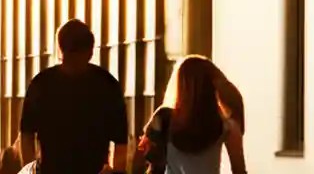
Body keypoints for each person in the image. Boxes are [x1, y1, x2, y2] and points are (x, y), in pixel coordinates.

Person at [19, 20, 128, 174]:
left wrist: (30, 168)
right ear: (90, 52)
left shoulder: (42, 84)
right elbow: (120, 143)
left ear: (60, 50)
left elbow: (27, 135)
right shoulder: (107, 85)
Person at [139, 56, 246, 174]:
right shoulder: (226, 126)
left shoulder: (164, 118)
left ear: (180, 85)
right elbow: (239, 171)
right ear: (211, 87)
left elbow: (150, 161)